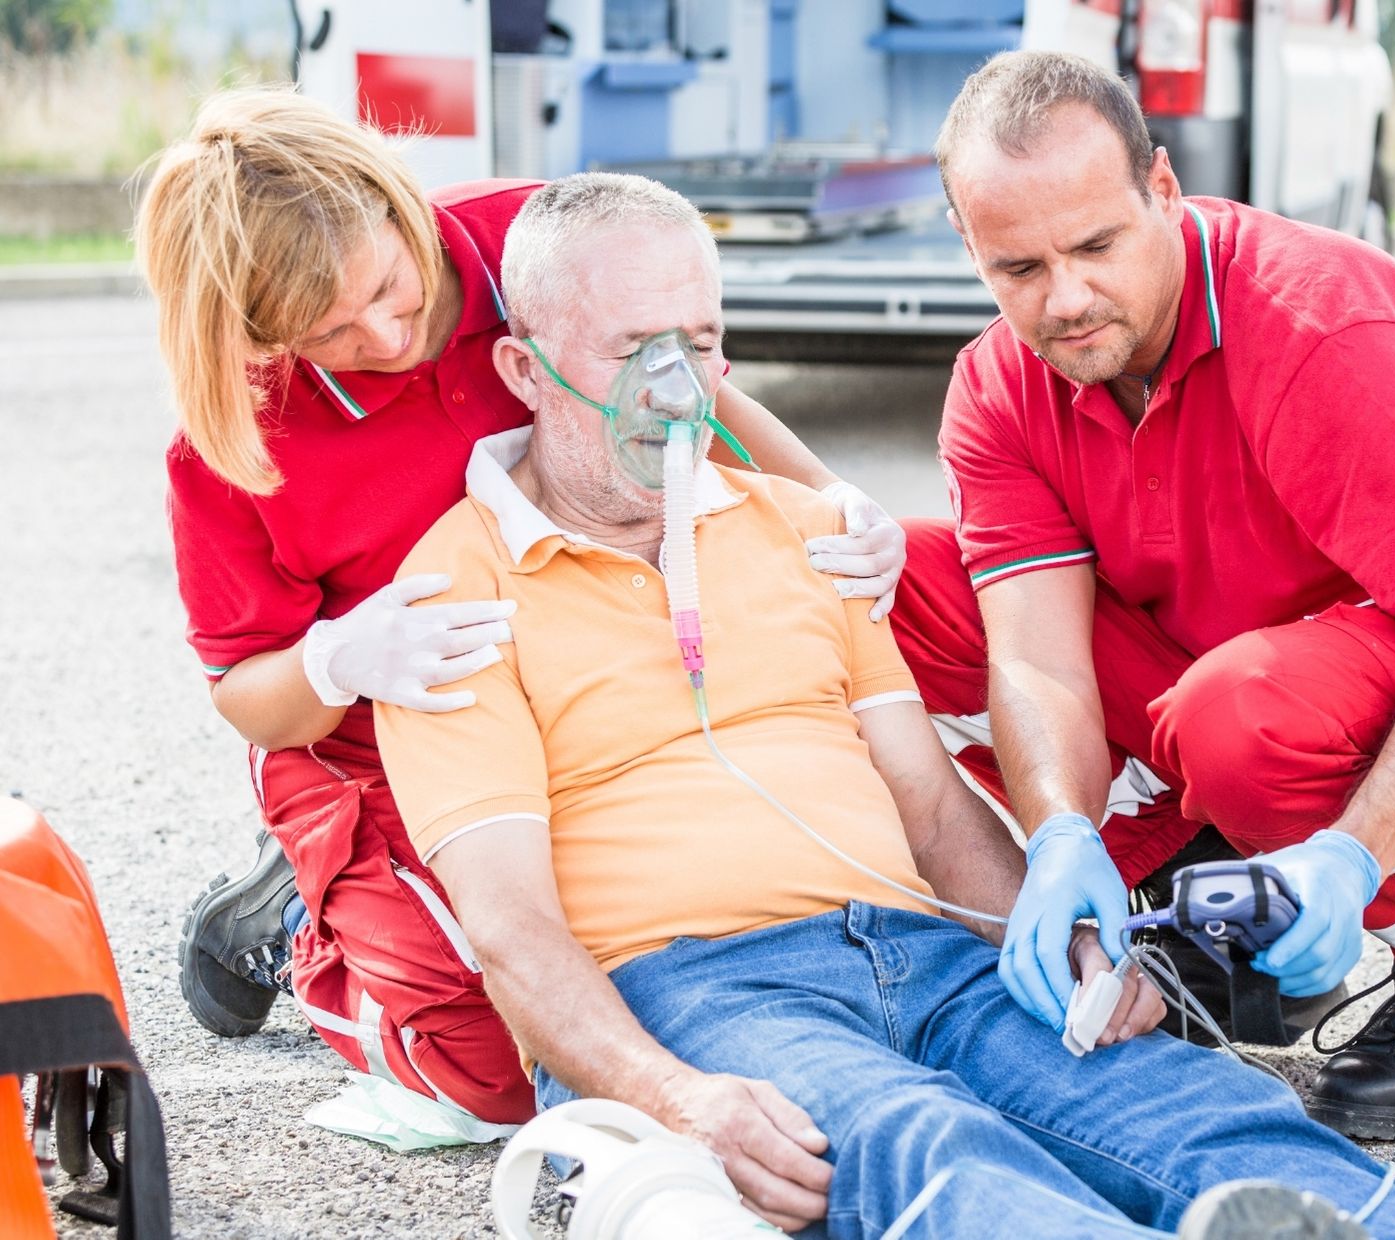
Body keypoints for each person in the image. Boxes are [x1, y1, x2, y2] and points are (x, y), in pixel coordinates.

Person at [363, 171, 1395, 1240]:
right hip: (699, 990)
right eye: (632, 350)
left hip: (920, 950)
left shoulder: (794, 536)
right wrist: (673, 1095)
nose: (676, 391)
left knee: (1189, 1112)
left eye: (702, 343)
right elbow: (512, 931)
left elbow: (926, 804)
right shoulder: (451, 603)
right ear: (526, 370)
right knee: (928, 1148)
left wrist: (1066, 938)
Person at [885, 50, 1395, 1141]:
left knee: (1242, 716)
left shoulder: (1316, 325)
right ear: (967, 244)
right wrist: (1060, 836)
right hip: (1240, 667)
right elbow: (1035, 659)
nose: (1066, 299)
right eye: (1019, 267)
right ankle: (1210, 920)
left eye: (1096, 246)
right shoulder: (999, 384)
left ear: (1164, 189)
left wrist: (1351, 856)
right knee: (906, 589)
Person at [134, 87, 906, 1126]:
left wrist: (829, 496)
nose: (387, 334)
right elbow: (247, 695)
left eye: (390, 287)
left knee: (622, 988)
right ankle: (302, 935)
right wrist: (336, 660)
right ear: (259, 337)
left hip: (580, 677)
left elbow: (688, 389)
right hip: (385, 731)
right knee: (509, 1064)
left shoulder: (526, 237)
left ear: (397, 201)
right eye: (332, 332)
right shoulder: (232, 439)